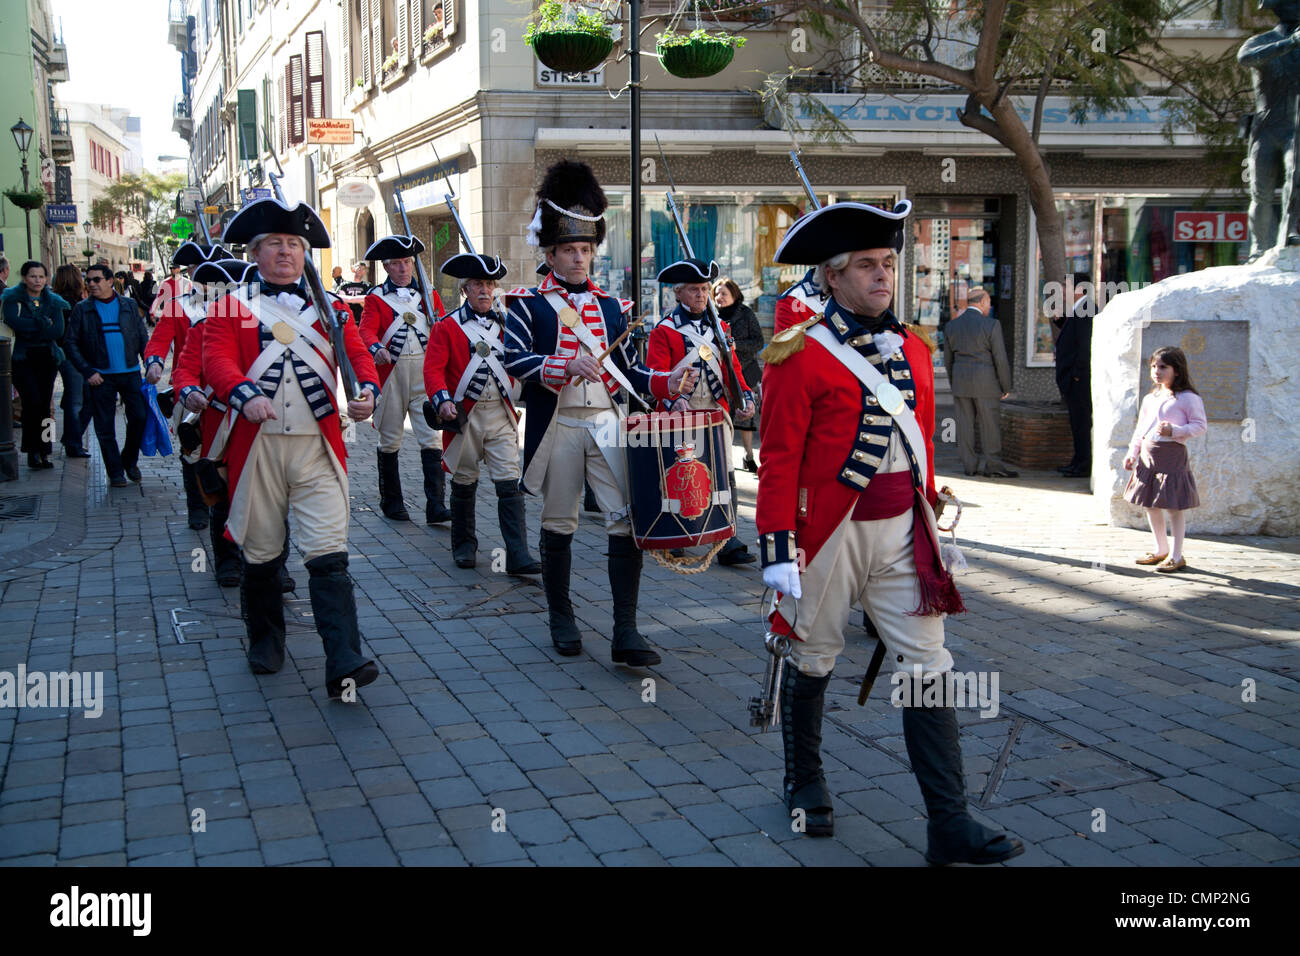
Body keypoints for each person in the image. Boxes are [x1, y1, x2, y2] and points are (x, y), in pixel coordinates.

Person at [757, 200, 1023, 864]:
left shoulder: (913, 347)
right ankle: (805, 780)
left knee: (930, 668)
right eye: (869, 265)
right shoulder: (798, 354)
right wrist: (776, 549)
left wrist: (931, 518)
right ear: (833, 276)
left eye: (889, 263)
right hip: (829, 534)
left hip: (904, 530)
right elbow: (779, 456)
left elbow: (923, 444)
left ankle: (949, 821)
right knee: (813, 657)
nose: (883, 276)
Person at [503, 160, 696, 663]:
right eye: (569, 250)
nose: (579, 258)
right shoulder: (526, 302)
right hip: (559, 425)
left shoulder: (614, 307)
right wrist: (564, 364)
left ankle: (625, 631)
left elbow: (630, 372)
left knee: (624, 520)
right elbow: (514, 359)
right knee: (559, 522)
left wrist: (666, 381)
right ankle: (562, 618)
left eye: (585, 249)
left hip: (609, 423)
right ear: (550, 253)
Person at [203, 197, 382, 698]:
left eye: (294, 245)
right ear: (255, 253)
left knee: (329, 552)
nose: (286, 253)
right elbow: (216, 360)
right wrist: (244, 393)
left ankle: (343, 657)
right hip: (256, 447)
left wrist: (366, 392)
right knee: (261, 551)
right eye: (275, 244)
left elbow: (357, 357)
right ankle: (265, 638)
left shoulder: (333, 311)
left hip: (317, 445)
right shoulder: (230, 308)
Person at [426, 252, 540, 573]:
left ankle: (517, 555)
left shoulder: (509, 326)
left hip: (501, 415)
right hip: (464, 417)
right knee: (464, 481)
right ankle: (464, 546)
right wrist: (442, 400)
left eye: (490, 284)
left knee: (508, 482)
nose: (485, 290)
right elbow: (433, 370)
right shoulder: (446, 327)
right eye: (478, 284)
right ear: (465, 289)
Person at [647, 260, 757, 567]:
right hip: (683, 414)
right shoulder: (664, 331)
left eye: (705, 289)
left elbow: (733, 370)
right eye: (694, 289)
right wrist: (672, 400)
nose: (701, 295)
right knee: (683, 476)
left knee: (725, 475)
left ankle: (726, 537)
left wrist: (744, 396)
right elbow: (656, 375)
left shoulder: (721, 329)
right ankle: (679, 535)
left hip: (715, 412)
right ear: (678, 293)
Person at [358, 235, 450, 524]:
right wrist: (377, 348)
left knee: (431, 438)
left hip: (424, 372)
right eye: (396, 264)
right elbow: (366, 332)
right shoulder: (375, 298)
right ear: (386, 267)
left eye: (407, 262)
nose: (403, 268)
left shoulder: (429, 294)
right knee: (390, 439)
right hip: (391, 376)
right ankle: (392, 501)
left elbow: (444, 329)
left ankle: (436, 505)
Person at [145, 242, 231, 529]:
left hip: (229, 392)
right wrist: (155, 362)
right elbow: (158, 341)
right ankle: (197, 506)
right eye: (199, 271)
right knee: (192, 449)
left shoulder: (240, 306)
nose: (206, 277)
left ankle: (227, 504)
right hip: (190, 387)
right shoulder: (178, 306)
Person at [64, 264, 150, 488]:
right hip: (100, 376)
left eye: (97, 280)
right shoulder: (83, 309)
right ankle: (115, 472)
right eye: (89, 280)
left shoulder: (129, 305)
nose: (91, 284)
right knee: (104, 427)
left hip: (130, 372)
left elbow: (142, 337)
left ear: (110, 281)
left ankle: (129, 460)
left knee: (140, 417)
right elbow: (70, 343)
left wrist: (150, 363)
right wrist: (88, 371)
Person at [1123, 347, 1206, 574]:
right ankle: (1160, 549)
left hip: (1172, 455)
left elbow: (1200, 426)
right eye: (1153, 366)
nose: (1156, 371)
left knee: (1174, 506)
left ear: (1176, 370)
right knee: (1150, 504)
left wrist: (1175, 430)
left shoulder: (1188, 398)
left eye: (1162, 367)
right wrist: (1133, 452)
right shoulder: (1151, 398)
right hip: (1149, 456)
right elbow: (1141, 429)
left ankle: (1176, 555)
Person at [1239, 0, 1300, 253]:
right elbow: (1245, 59)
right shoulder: (1261, 41)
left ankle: (1291, 232)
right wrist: (1290, 44)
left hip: (1294, 129)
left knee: (1295, 178)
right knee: (1261, 193)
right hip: (1265, 128)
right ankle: (1259, 247)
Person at [942, 287, 1017, 478]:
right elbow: (1000, 359)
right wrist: (1005, 386)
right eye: (989, 302)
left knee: (965, 426)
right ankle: (993, 466)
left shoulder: (952, 326)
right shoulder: (991, 325)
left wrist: (954, 382)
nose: (989, 306)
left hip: (961, 382)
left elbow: (948, 361)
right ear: (982, 301)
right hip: (987, 383)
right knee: (989, 425)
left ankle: (970, 466)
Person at [2, 261, 68, 471]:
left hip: (47, 357)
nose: (37, 280)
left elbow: (57, 330)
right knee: (31, 403)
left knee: (46, 407)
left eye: (41, 276)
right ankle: (31, 450)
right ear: (24, 278)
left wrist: (34, 328)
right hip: (22, 357)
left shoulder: (54, 301)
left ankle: (45, 451)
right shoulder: (13, 298)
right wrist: (42, 324)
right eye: (32, 276)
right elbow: (14, 323)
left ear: (46, 279)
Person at [714, 276, 764, 473]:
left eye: (724, 293)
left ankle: (749, 456)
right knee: (722, 416)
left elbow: (758, 342)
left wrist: (737, 345)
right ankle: (723, 458)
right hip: (720, 373)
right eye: (717, 294)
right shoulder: (711, 315)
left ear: (734, 295)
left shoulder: (746, 314)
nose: (720, 297)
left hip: (745, 371)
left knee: (745, 417)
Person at [51, 264, 92, 459]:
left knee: (73, 399)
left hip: (63, 356)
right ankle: (72, 442)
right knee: (80, 401)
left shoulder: (57, 302)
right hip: (73, 357)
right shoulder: (73, 305)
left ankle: (69, 438)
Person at [1054, 274, 1092, 477]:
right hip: (1072, 378)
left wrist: (1077, 374)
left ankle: (1083, 465)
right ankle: (1078, 461)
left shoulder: (1086, 309)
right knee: (1077, 423)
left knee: (1082, 422)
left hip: (1078, 380)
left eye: (1066, 288)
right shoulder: (1078, 309)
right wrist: (1061, 322)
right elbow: (1073, 335)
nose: (1063, 293)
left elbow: (1085, 346)